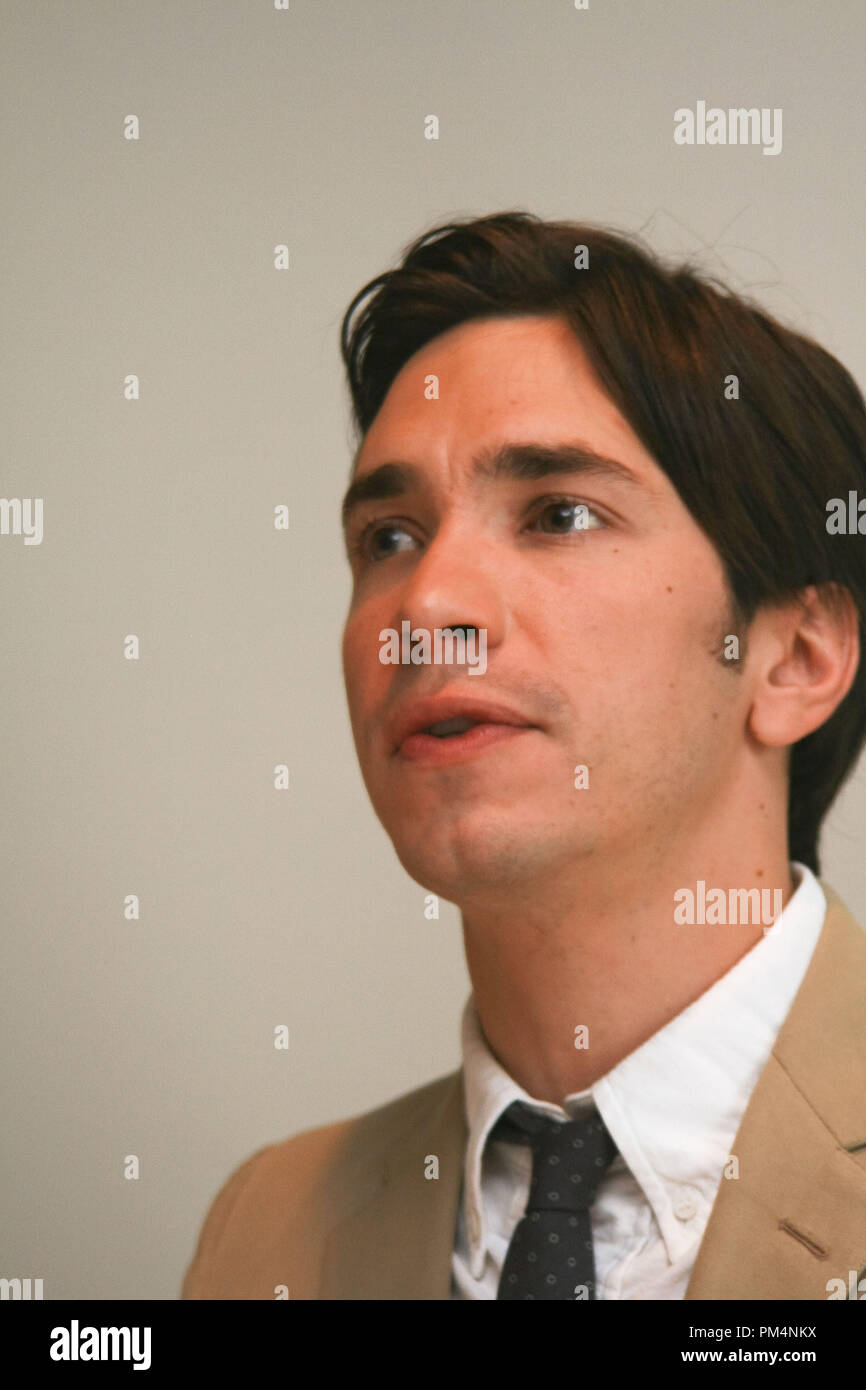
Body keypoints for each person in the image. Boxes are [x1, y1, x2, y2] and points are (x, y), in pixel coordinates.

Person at [181, 212, 866, 1301]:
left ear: (794, 657)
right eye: (387, 538)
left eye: (556, 513)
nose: (427, 603)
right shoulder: (264, 1230)